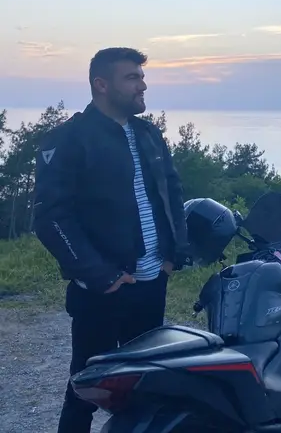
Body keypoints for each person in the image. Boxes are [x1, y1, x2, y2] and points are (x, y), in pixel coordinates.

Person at [33, 47, 188, 433]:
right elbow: (51, 217)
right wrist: (100, 275)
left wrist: (173, 254)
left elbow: (172, 193)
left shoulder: (148, 134)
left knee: (145, 385)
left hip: (152, 282)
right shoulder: (69, 139)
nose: (143, 85)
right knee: (86, 389)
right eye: (132, 78)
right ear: (101, 85)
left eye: (142, 77)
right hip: (102, 289)